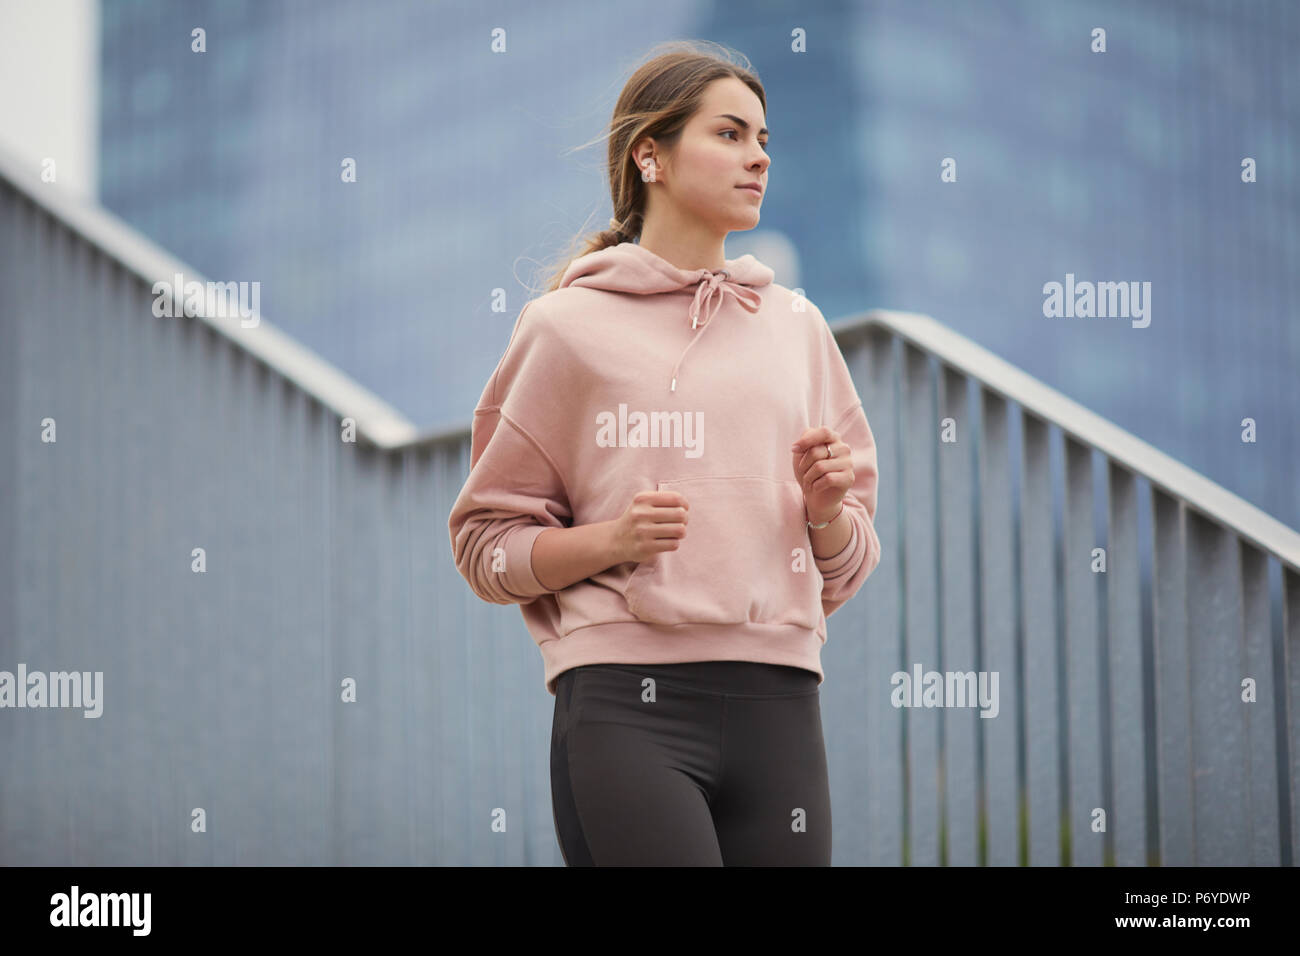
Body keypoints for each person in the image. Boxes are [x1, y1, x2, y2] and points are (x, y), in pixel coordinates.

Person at [447, 40, 882, 866]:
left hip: (783, 705)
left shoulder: (797, 328)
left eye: (764, 140)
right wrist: (611, 542)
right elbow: (483, 548)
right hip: (624, 707)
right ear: (650, 152)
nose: (757, 157)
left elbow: (850, 564)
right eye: (729, 134)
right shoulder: (564, 329)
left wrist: (826, 515)